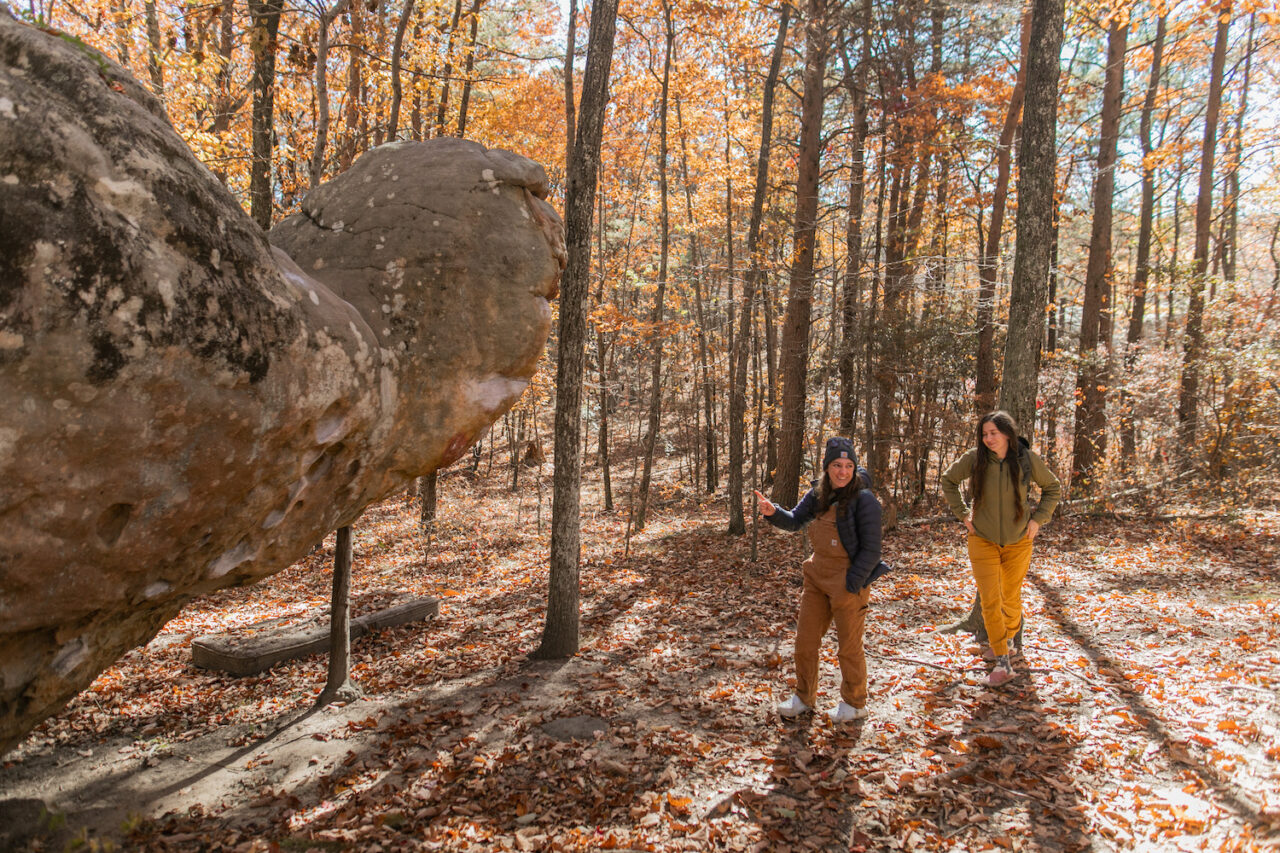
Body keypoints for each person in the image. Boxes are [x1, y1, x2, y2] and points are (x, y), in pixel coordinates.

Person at [755, 437, 886, 722]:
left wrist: (853, 583)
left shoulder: (864, 500)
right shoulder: (817, 493)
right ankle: (804, 697)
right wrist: (773, 512)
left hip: (848, 581)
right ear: (827, 467)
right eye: (837, 465)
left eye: (849, 465)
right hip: (816, 577)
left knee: (849, 647)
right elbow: (794, 520)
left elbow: (873, 549)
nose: (843, 471)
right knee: (805, 642)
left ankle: (855, 703)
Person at [941, 410, 1062, 687]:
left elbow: (1052, 487)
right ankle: (1003, 663)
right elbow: (948, 480)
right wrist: (963, 514)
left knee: (1011, 598)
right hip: (982, 538)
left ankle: (1005, 642)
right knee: (990, 599)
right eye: (984, 434)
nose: (988, 439)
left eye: (993, 433)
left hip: (1019, 541)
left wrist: (1038, 520)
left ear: (1007, 433)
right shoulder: (974, 459)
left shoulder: (1025, 459)